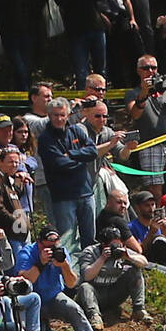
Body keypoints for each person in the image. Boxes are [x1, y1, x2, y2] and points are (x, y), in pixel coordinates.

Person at [16, 227, 102, 331]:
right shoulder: (27, 252)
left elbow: (71, 283)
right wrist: (41, 263)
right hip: (31, 301)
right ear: (39, 242)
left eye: (54, 246)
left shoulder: (61, 252)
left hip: (53, 297)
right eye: (47, 247)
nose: (52, 250)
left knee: (74, 309)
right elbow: (25, 282)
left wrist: (64, 266)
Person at [39, 97, 99, 266]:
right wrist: (81, 160)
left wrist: (72, 154)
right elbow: (59, 163)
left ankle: (90, 270)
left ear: (68, 115)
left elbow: (93, 151)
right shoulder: (45, 138)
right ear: (49, 115)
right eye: (55, 115)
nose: (59, 119)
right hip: (63, 196)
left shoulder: (76, 131)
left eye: (62, 115)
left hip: (86, 192)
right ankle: (70, 273)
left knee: (90, 238)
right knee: (67, 239)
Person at [125, 55, 166, 210]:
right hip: (149, 146)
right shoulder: (133, 93)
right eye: (146, 68)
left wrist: (165, 90)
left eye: (153, 68)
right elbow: (135, 114)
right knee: (155, 193)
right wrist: (144, 93)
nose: (150, 71)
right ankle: (157, 222)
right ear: (139, 71)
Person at [82, 225, 150, 323]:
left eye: (119, 244)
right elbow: (87, 276)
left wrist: (128, 257)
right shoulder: (90, 252)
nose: (116, 248)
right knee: (85, 287)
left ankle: (138, 309)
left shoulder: (121, 251)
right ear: (103, 244)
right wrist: (102, 258)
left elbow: (144, 262)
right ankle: (94, 316)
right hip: (96, 295)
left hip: (114, 293)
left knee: (135, 271)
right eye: (113, 246)